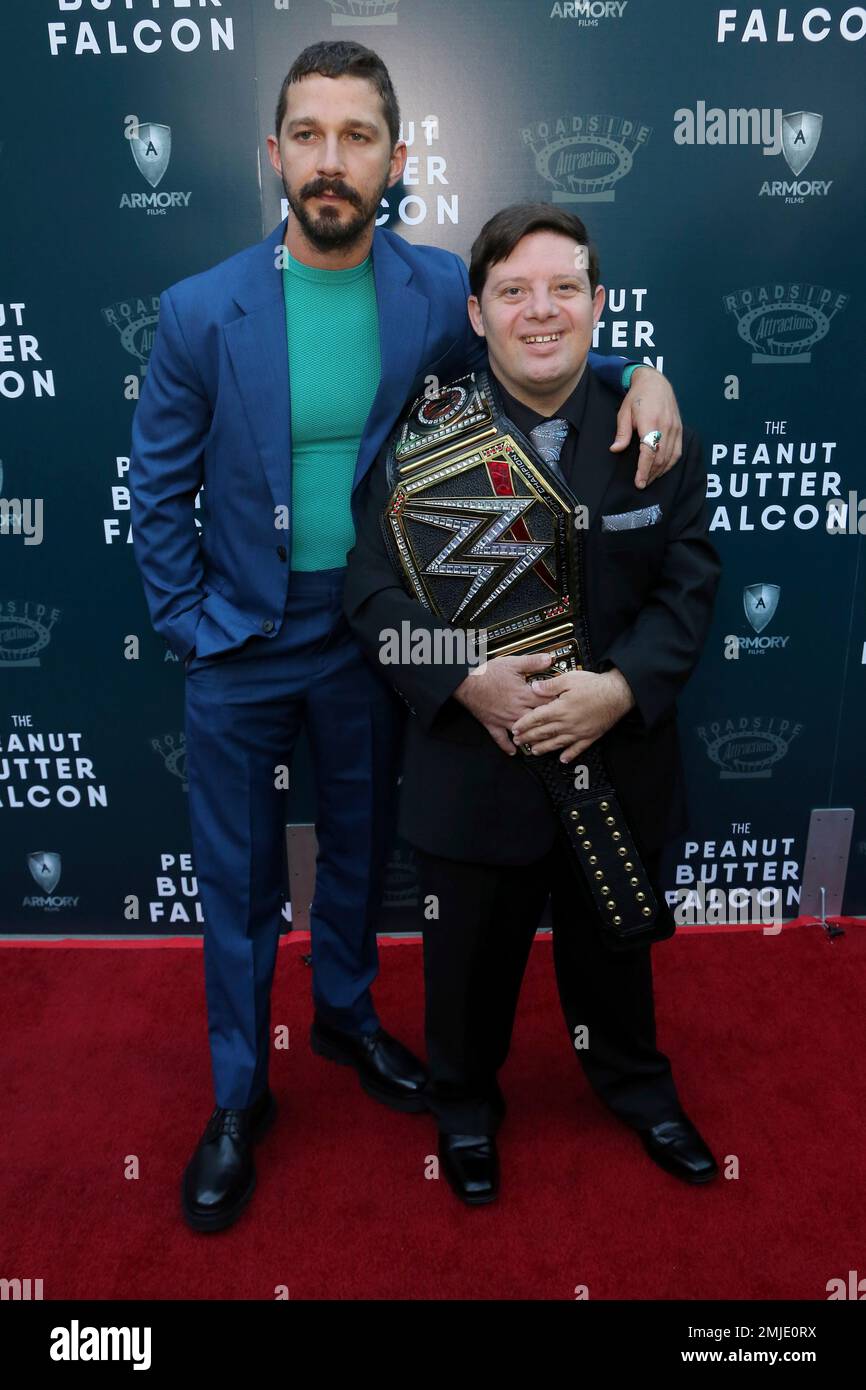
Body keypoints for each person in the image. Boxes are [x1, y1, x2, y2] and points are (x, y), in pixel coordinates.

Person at [130, 40, 685, 1232]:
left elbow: (539, 334)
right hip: (241, 638)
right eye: (310, 134)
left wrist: (647, 373)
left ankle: (343, 1015)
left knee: (361, 845)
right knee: (234, 880)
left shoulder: (434, 288)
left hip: (385, 637)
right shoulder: (195, 313)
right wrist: (191, 625)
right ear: (275, 153)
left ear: (393, 159)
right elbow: (154, 489)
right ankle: (238, 1098)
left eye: (359, 137)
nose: (333, 161)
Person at [344, 203, 722, 1205]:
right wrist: (462, 675)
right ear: (477, 313)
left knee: (615, 962)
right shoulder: (421, 439)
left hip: (617, 764)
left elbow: (689, 584)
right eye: (513, 291)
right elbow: (368, 598)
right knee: (463, 975)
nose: (539, 310)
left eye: (562, 288)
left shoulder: (651, 426)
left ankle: (637, 1089)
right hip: (476, 772)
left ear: (599, 306)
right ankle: (463, 1109)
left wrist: (621, 689)